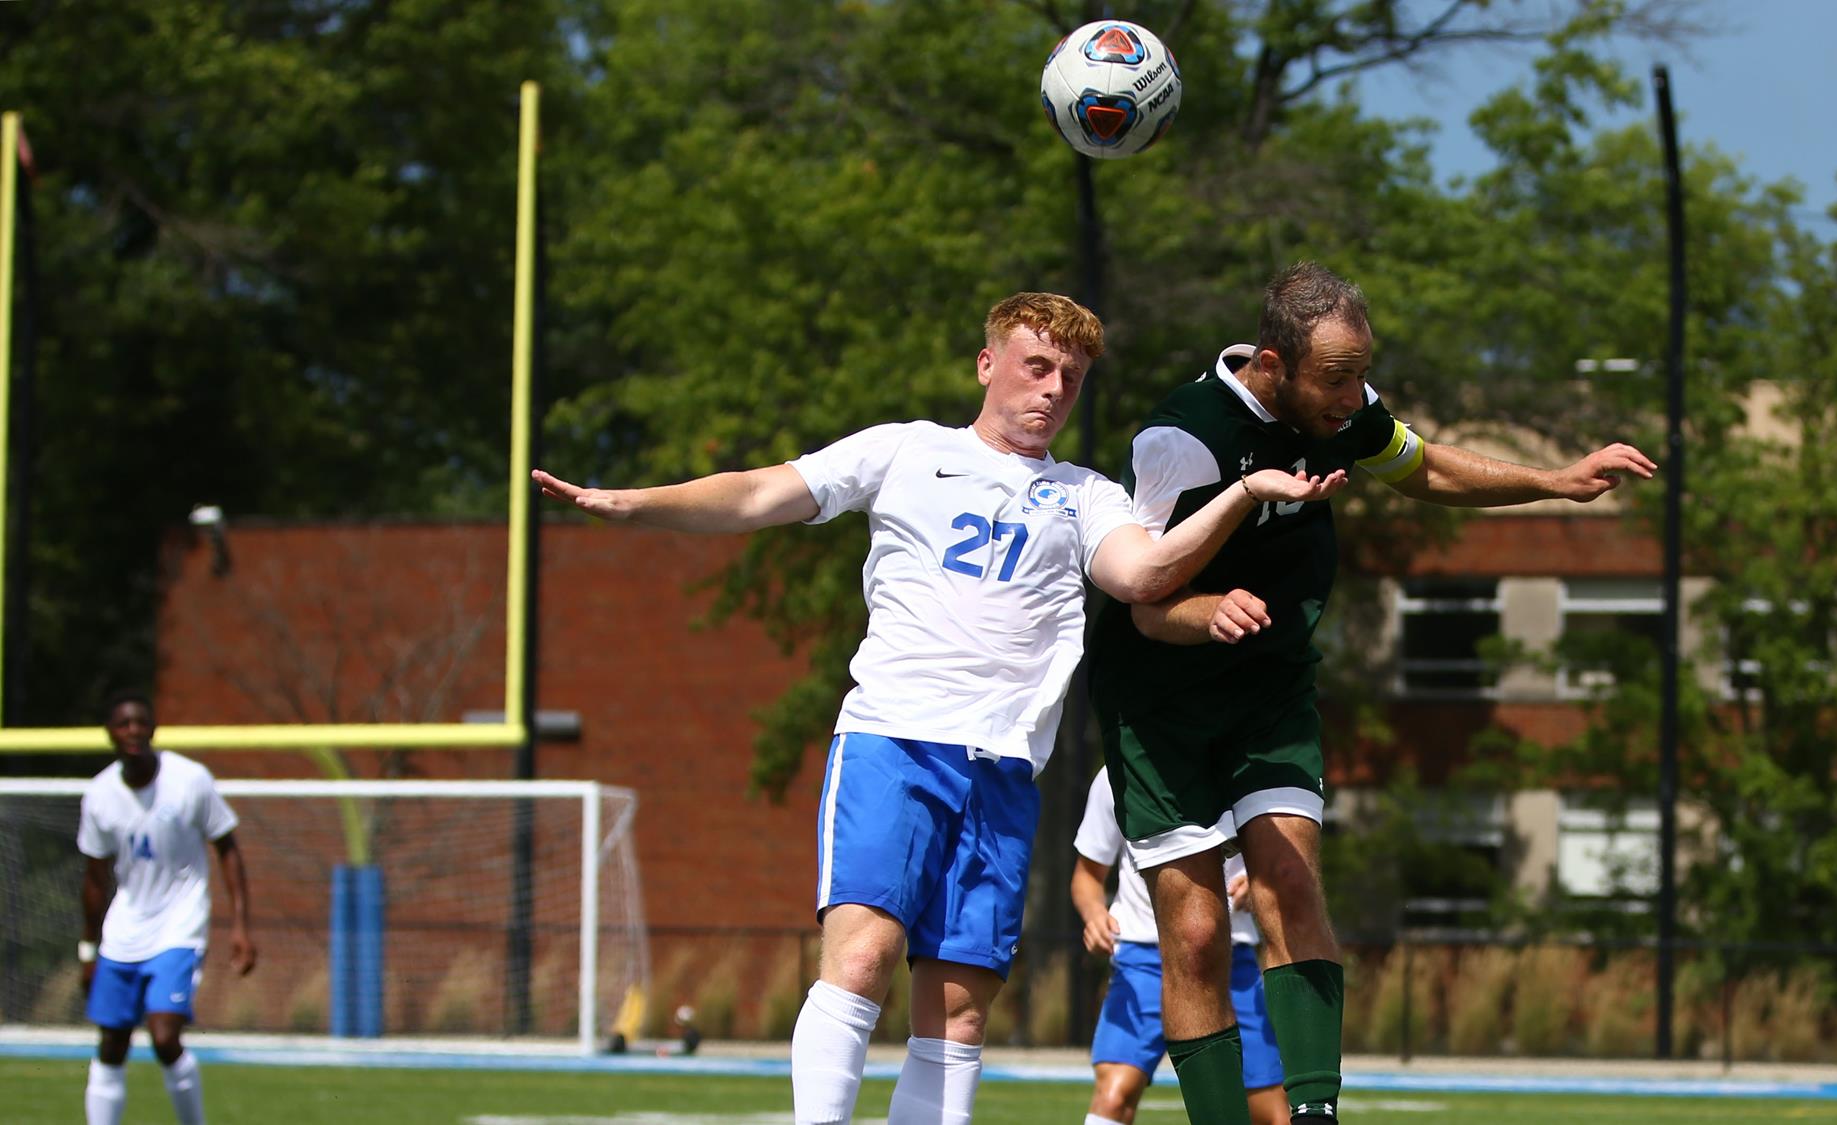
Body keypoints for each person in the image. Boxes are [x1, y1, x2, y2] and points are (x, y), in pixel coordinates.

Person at [533, 292, 1345, 1125]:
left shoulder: (1087, 494)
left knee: (958, 1008)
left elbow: (1144, 577)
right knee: (861, 957)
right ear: (986, 364)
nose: (1053, 388)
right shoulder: (906, 451)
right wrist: (631, 502)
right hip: (896, 740)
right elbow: (754, 494)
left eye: (1070, 377)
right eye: (1036, 366)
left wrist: (1244, 492)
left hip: (1004, 770)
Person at [1087, 262, 1657, 1124]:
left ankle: (1316, 1112)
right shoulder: (1183, 439)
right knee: (1198, 934)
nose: (1355, 395)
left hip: (1269, 687)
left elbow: (1423, 467)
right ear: (1273, 364)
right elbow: (1139, 598)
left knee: (1289, 878)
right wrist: (1206, 612)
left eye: (1361, 372)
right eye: (1336, 376)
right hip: (1159, 702)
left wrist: (1556, 480)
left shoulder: (1342, 411)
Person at [78, 691, 255, 1125]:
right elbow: (95, 879)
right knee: (112, 1044)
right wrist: (88, 950)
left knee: (163, 1037)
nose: (133, 730)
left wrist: (240, 926)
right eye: (123, 724)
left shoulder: (189, 779)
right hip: (124, 930)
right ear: (110, 734)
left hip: (180, 925)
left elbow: (227, 848)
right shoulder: (100, 795)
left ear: (153, 729)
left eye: (141, 722)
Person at [1072, 767, 1285, 1125]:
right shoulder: (1117, 774)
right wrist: (1094, 915)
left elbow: (1284, 861)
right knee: (1114, 1095)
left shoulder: (1245, 764)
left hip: (1231, 962)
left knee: (1272, 1116)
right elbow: (1087, 876)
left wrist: (1260, 880)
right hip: (1143, 958)